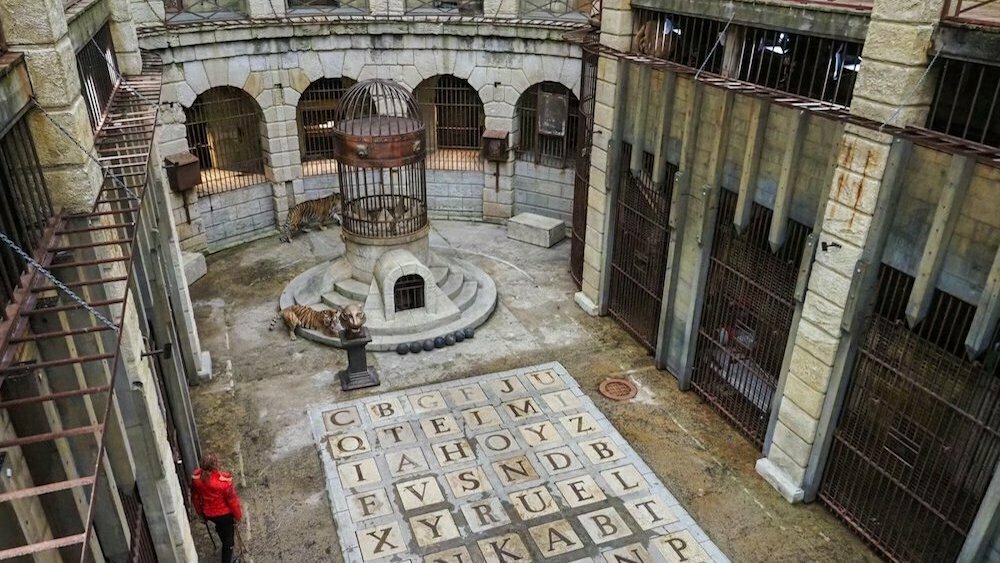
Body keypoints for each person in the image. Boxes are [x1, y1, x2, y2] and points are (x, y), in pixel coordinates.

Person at [191, 453, 243, 563]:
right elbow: (233, 501)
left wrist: (200, 514)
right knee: (229, 542)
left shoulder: (196, 479)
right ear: (215, 465)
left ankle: (221, 535)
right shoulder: (224, 482)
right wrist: (238, 516)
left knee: (221, 529)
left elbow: (195, 498)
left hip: (209, 514)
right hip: (224, 515)